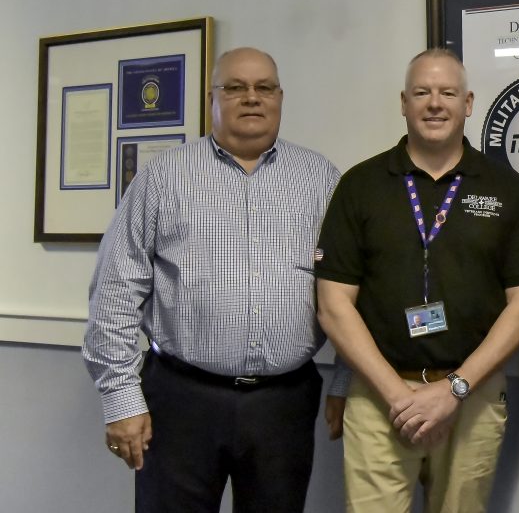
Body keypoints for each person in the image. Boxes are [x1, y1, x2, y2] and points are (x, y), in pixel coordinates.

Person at [82, 47, 349, 513]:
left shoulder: (321, 181)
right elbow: (114, 294)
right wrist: (121, 399)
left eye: (264, 87)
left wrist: (345, 378)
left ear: (280, 97)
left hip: (282, 406)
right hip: (182, 400)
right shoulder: (163, 178)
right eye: (235, 87)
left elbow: (350, 290)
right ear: (212, 99)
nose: (252, 98)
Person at [315, 48, 519, 513]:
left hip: (472, 397)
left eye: (447, 93)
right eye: (422, 92)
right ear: (403, 102)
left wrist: (453, 389)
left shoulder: (505, 188)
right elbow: (333, 305)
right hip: (381, 397)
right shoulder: (361, 185)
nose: (435, 103)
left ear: (469, 102)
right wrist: (399, 395)